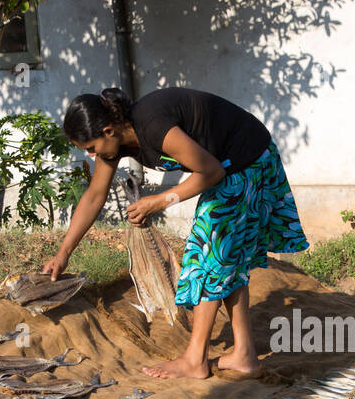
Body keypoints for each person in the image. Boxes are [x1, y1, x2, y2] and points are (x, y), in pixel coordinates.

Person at [45, 86, 309, 379]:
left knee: (209, 252)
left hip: (248, 161)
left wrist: (159, 201)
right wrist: (63, 253)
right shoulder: (113, 144)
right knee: (226, 258)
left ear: (108, 130)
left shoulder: (153, 125)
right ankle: (244, 355)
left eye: (91, 147)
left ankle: (195, 359)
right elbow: (95, 196)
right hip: (229, 166)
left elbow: (210, 171)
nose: (92, 155)